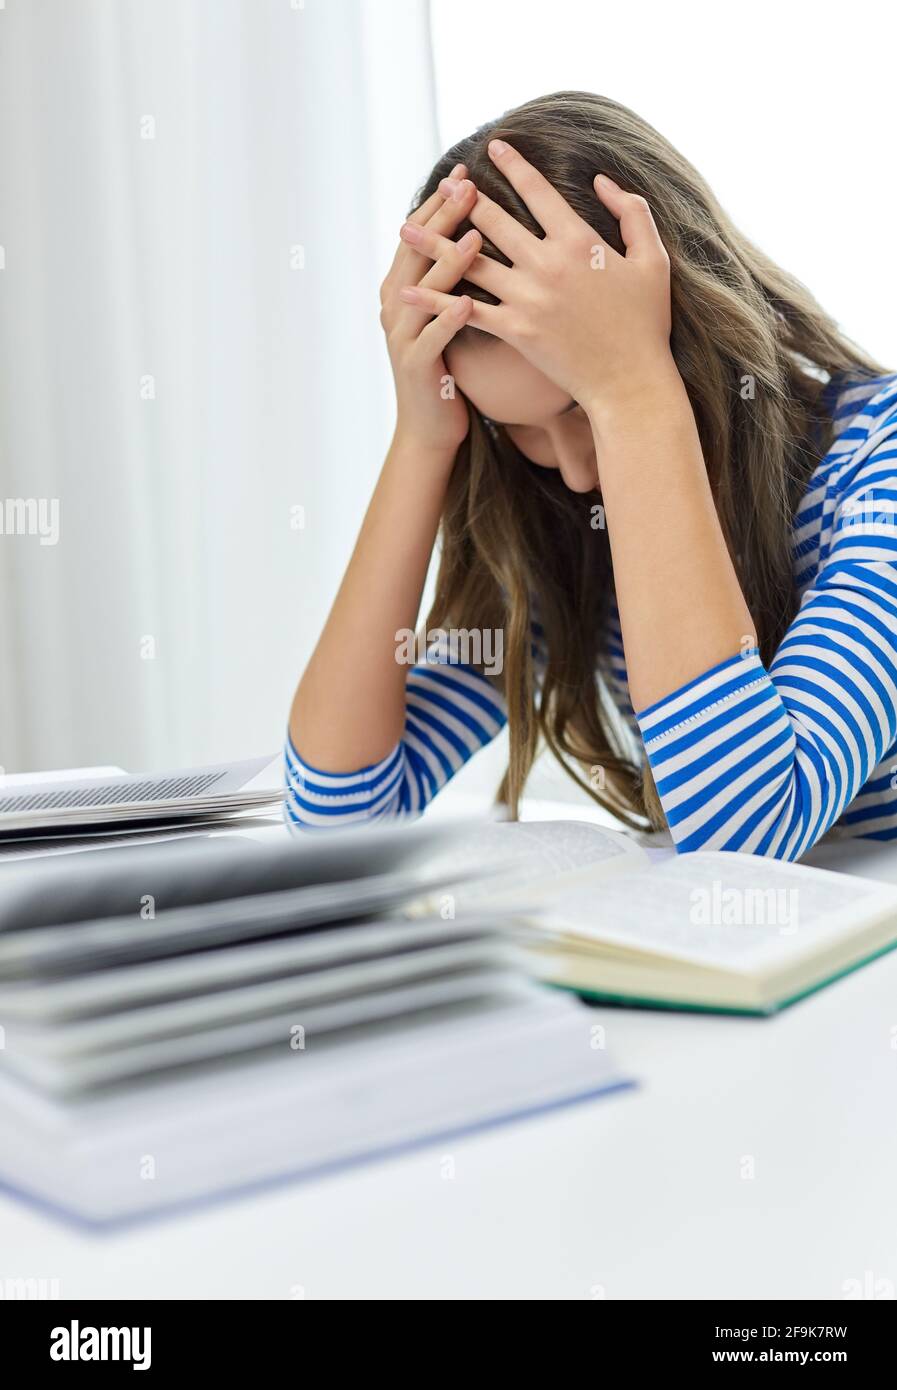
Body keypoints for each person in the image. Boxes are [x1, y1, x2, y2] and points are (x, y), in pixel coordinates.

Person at [287, 91, 897, 859]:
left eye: (580, 406)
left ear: (686, 334)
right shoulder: (574, 528)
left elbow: (743, 833)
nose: (575, 474)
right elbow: (336, 820)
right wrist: (421, 437)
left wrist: (634, 399)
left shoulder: (877, 469)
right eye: (516, 429)